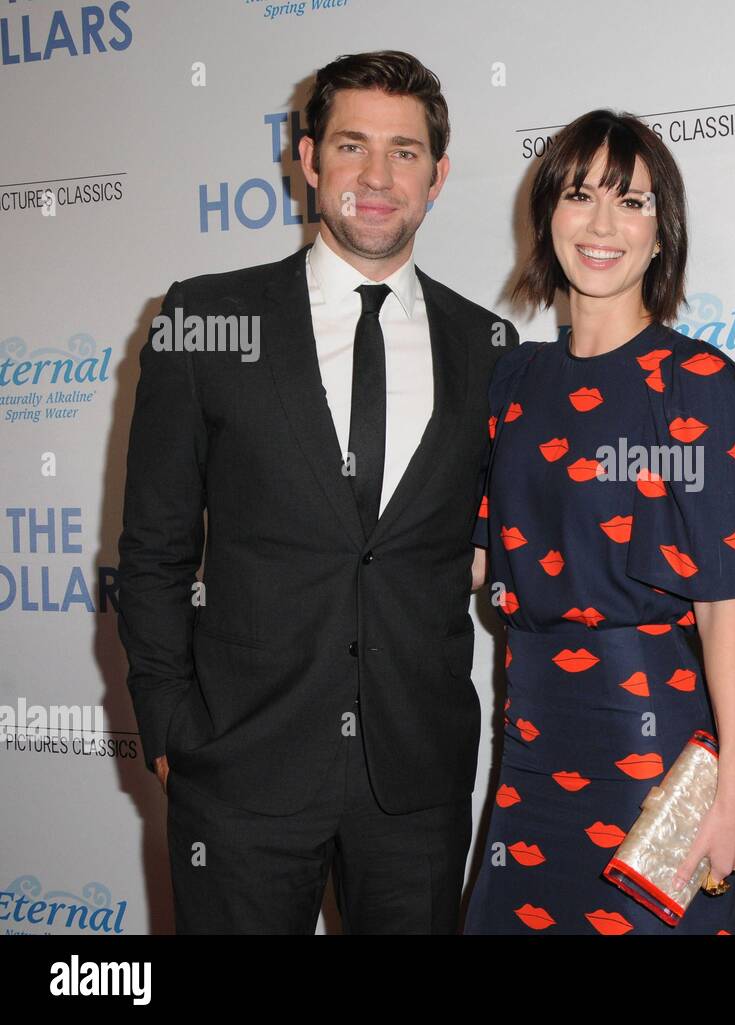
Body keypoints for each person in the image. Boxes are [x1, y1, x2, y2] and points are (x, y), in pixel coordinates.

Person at [116, 50, 518, 933]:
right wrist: (173, 729)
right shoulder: (204, 322)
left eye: (406, 152)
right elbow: (153, 552)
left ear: (438, 176)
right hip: (239, 774)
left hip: (418, 784)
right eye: (352, 147)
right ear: (307, 160)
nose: (378, 177)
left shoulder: (490, 345)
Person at [462, 109, 735, 934]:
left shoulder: (695, 381)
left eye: (631, 203)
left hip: (649, 756)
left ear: (662, 234)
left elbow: (722, 611)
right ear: (546, 216)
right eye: (580, 195)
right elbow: (475, 562)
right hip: (527, 743)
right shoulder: (513, 380)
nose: (601, 225)